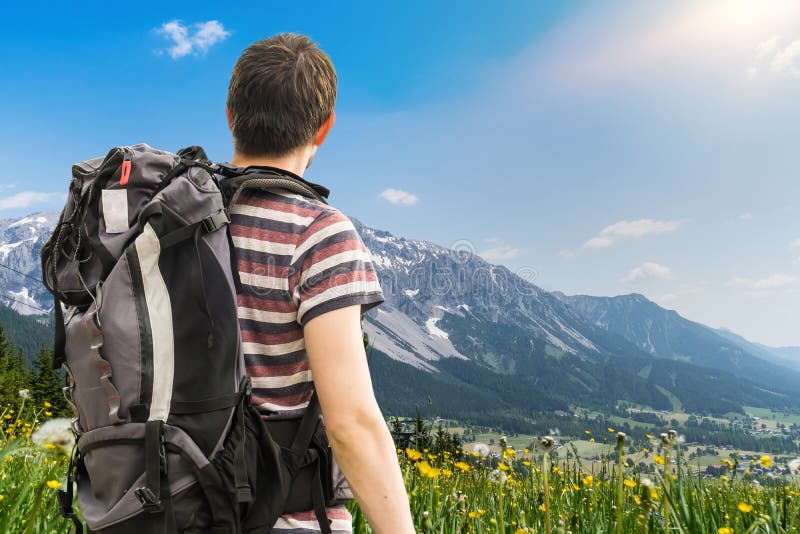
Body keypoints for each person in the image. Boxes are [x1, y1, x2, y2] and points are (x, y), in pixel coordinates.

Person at [224, 34, 415, 534]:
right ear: (324, 128)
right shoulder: (318, 232)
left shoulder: (171, 223)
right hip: (282, 518)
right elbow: (350, 422)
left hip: (169, 508)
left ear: (231, 115)